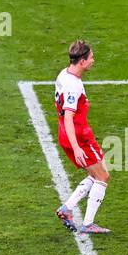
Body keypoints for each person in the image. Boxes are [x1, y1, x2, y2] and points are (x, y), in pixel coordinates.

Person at [54, 40, 111, 235]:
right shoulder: (74, 86)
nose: (93, 60)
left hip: (68, 134)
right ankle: (88, 224)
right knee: (103, 176)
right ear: (82, 61)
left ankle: (67, 208)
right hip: (79, 137)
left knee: (97, 173)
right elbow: (69, 116)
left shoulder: (64, 74)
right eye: (91, 57)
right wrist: (77, 146)